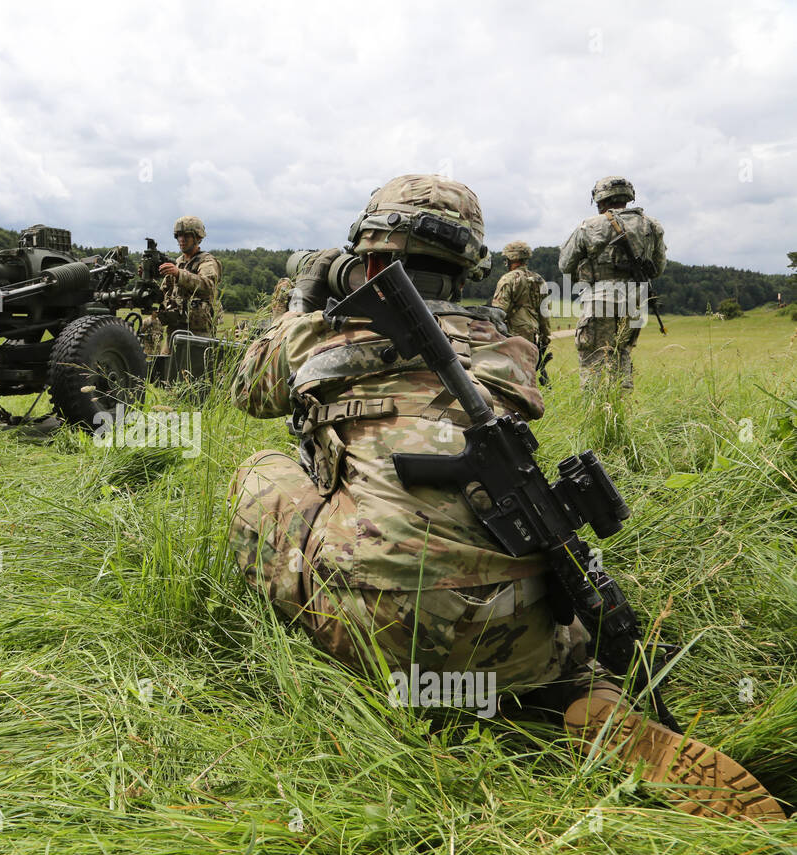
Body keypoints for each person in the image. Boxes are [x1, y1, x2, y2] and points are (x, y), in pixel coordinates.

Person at [227, 173, 782, 821]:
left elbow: (248, 389)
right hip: (512, 636)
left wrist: (304, 296)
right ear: (468, 269)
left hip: (374, 629)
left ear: (369, 258)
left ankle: (384, 644)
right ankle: (577, 693)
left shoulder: (316, 337)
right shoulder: (506, 349)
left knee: (259, 472)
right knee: (531, 605)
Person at [559, 176, 665, 389]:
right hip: (633, 303)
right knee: (622, 357)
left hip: (599, 302)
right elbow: (658, 268)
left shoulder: (589, 226)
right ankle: (620, 414)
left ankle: (595, 416)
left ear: (600, 199)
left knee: (592, 362)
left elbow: (565, 265)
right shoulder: (651, 226)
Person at [154, 216, 222, 352]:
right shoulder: (178, 262)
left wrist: (179, 274)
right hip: (174, 330)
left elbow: (207, 286)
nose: (181, 239)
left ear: (197, 237)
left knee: (194, 370)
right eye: (178, 236)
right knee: (165, 368)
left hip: (198, 333)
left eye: (186, 236)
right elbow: (162, 292)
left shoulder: (207, 261)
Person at [492, 240, 550, 359]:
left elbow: (498, 312)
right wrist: (545, 337)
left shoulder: (507, 279)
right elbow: (544, 314)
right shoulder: (539, 280)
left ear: (511, 259)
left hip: (511, 334)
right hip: (532, 334)